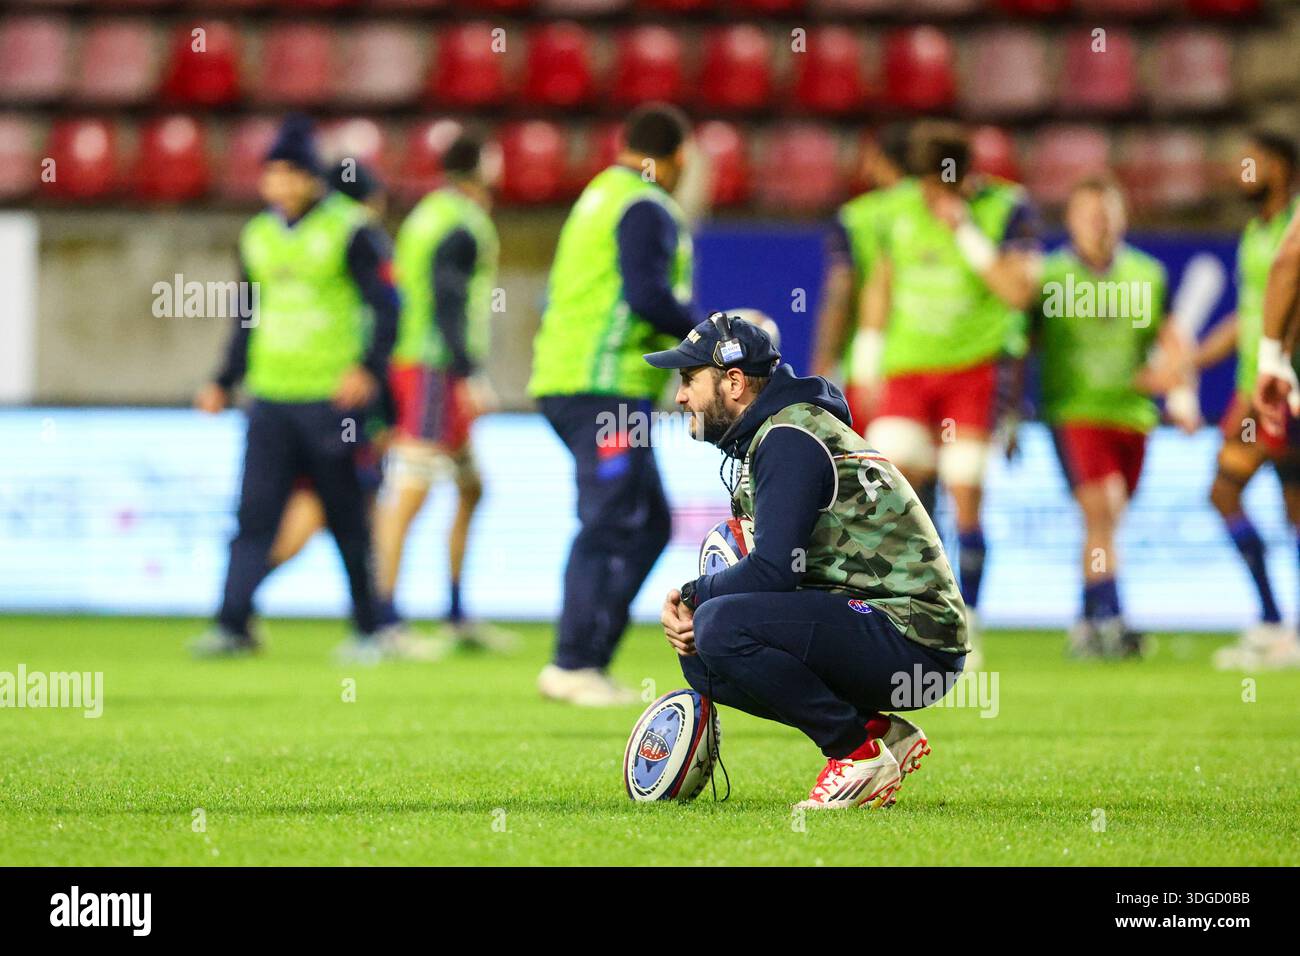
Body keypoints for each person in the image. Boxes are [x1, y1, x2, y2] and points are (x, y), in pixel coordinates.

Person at [651, 314, 968, 810]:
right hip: (888, 626)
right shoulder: (781, 431)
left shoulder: (788, 437)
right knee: (701, 658)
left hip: (915, 638)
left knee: (718, 626)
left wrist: (692, 595)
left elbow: (776, 572)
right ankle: (878, 731)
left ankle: (856, 756)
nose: (680, 396)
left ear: (733, 382)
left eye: (689, 379)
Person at [191, 115, 398, 660]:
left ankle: (371, 629)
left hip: (333, 400)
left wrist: (369, 369)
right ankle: (233, 624)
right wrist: (222, 380)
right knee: (253, 515)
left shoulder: (351, 229)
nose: (279, 184)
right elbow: (245, 315)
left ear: (311, 178)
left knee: (349, 519)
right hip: (270, 398)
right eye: (271, 174)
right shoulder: (256, 234)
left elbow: (388, 305)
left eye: (290, 173)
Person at [853, 123, 1042, 666]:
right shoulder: (899, 208)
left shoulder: (1008, 208)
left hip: (973, 372)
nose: (930, 198)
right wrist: (867, 355)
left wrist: (966, 232)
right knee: (892, 498)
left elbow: (1019, 293)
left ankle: (967, 625)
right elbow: (881, 283)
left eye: (940, 187)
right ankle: (900, 615)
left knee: (966, 499)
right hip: (908, 372)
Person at [529, 103, 699, 706]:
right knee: (609, 518)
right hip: (603, 386)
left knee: (649, 521)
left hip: (568, 377)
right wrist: (709, 335)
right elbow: (649, 295)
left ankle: (590, 656)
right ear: (678, 158)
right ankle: (572, 662)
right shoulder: (647, 204)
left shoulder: (598, 194)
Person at [1033, 177, 1200, 657]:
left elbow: (1172, 341)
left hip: (1132, 416)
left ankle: (1088, 620)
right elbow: (1025, 344)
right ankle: (1112, 619)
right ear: (1070, 220)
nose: (1098, 224)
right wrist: (1005, 414)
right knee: (1102, 510)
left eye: (1105, 214)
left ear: (1122, 218)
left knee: (1108, 520)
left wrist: (1179, 390)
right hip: (1074, 411)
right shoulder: (1049, 278)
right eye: (1088, 214)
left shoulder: (1147, 275)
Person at [371, 132, 510, 651]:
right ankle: (382, 621)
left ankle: (454, 615)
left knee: (472, 488)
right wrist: (469, 373)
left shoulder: (429, 213)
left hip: (423, 362)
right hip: (435, 369)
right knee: (410, 491)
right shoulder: (463, 223)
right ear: (482, 164)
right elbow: (448, 298)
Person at [268, 160, 394, 572]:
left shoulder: (314, 248)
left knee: (327, 506)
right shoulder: (361, 248)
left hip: (303, 400)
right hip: (345, 405)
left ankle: (240, 594)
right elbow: (381, 328)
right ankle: (377, 618)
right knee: (345, 508)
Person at [1205, 131, 1300, 668]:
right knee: (1293, 506)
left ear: (1281, 165)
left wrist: (1269, 372)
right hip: (1261, 382)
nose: (1242, 172)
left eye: (1253, 163)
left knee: (1224, 491)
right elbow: (1247, 318)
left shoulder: (1294, 224)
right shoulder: (1255, 232)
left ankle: (1270, 620)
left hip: (1274, 387)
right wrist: (1192, 360)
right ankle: (1279, 627)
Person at [811, 124, 910, 430]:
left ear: (878, 160)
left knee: (872, 471)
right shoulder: (946, 213)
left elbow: (841, 292)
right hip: (944, 364)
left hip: (873, 368)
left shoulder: (857, 217)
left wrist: (823, 366)